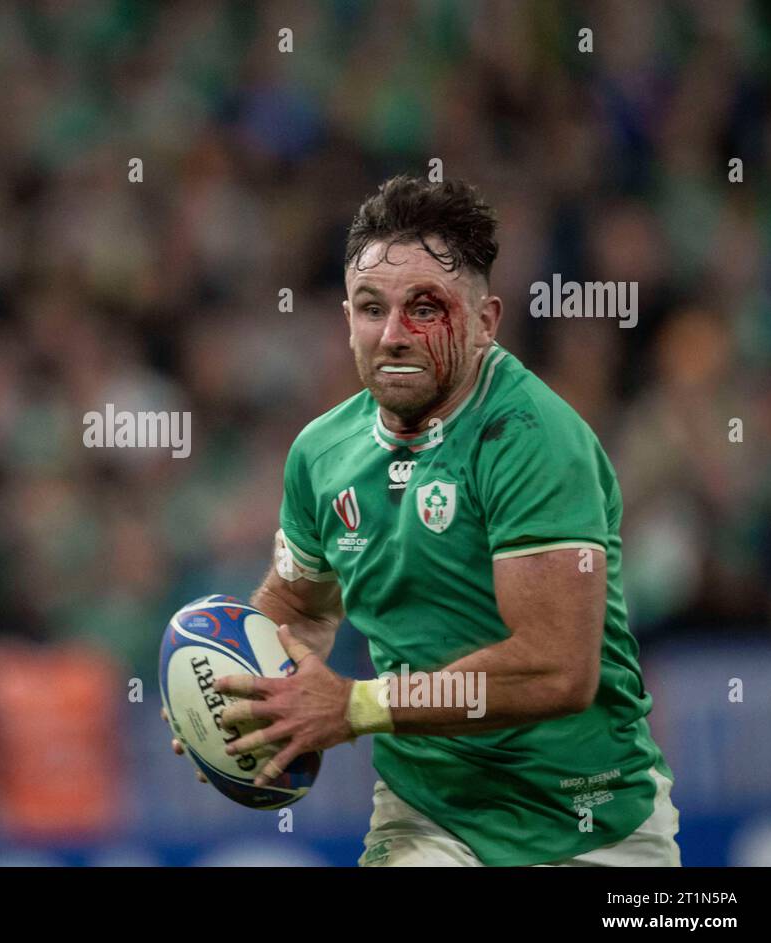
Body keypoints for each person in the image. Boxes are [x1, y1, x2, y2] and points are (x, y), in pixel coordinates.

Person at [164, 175, 680, 866]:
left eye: (426, 308)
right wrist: (246, 707)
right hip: (427, 820)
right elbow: (299, 607)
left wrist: (354, 706)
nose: (394, 335)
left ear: (487, 322)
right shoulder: (321, 455)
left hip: (589, 824)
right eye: (371, 308)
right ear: (347, 317)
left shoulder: (532, 441)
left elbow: (558, 670)